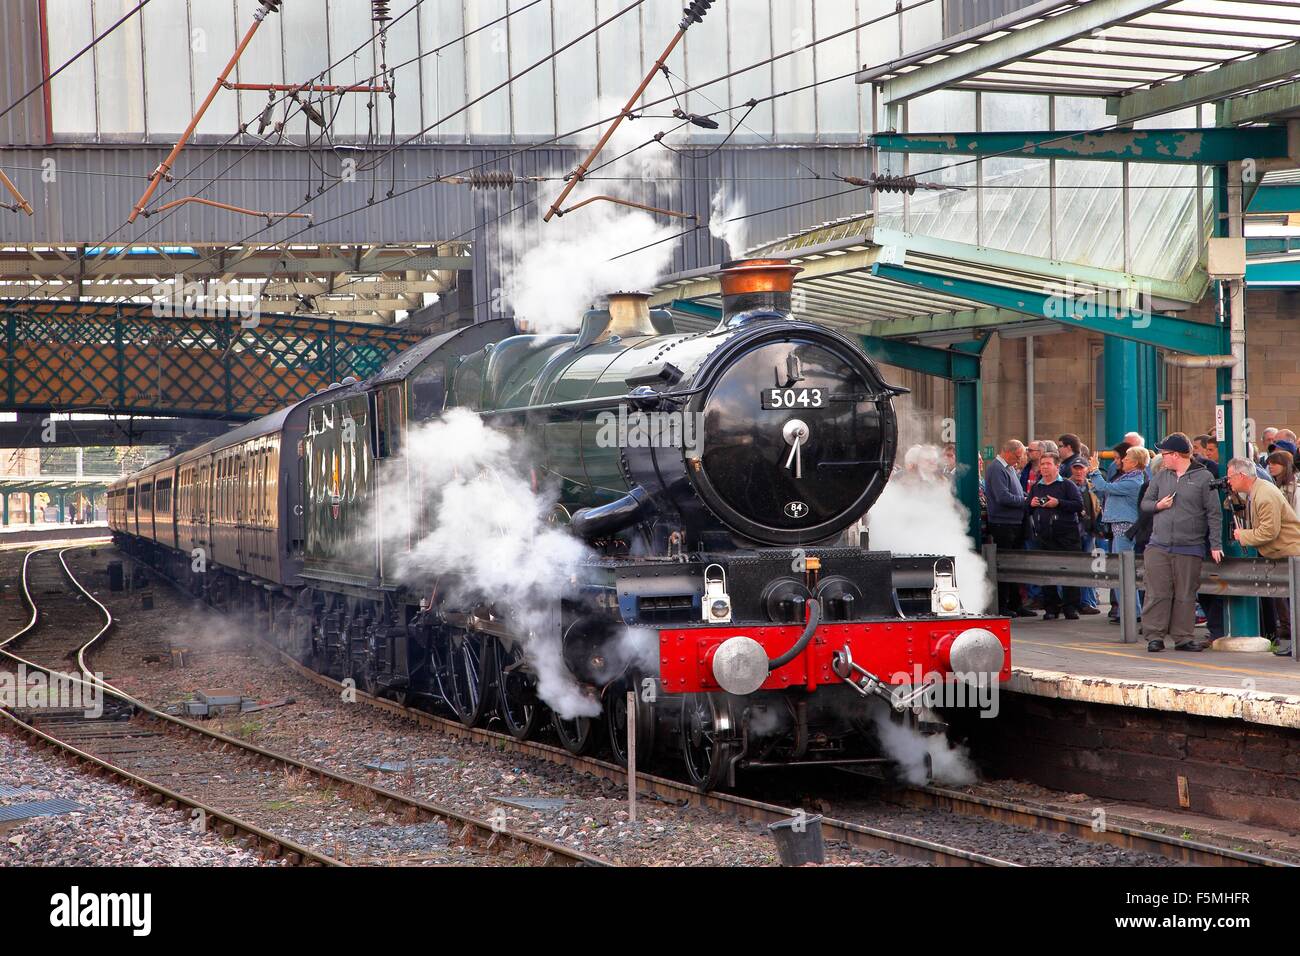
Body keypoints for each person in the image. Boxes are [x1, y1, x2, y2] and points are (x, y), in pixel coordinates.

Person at [1140, 433, 1223, 653]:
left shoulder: (1204, 478)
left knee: (1186, 594)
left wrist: (1215, 545)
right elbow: (1145, 504)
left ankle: (1183, 637)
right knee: (1157, 592)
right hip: (1158, 545)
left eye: (1164, 454)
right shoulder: (1160, 476)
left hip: (1190, 546)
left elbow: (1214, 513)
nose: (1162, 457)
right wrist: (1159, 505)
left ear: (1176, 455)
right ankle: (1154, 636)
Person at [1226, 458, 1300, 657]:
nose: (1228, 480)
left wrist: (1243, 536)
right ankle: (1295, 644)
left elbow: (1269, 531)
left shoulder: (1264, 495)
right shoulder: (1256, 491)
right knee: (1291, 602)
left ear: (1242, 476)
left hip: (1291, 553)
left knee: (1295, 602)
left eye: (1230, 476)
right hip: (1284, 554)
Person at [1090, 446, 1150, 624]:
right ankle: (1129, 611)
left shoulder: (1134, 481)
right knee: (1120, 572)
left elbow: (1106, 487)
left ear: (1136, 462)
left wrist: (1094, 470)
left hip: (1125, 529)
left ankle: (1131, 612)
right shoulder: (1127, 478)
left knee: (1124, 572)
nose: (1123, 460)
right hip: (1119, 529)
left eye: (1127, 458)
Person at [1027, 451, 1084, 620]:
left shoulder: (1066, 485)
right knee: (1047, 573)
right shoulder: (1037, 487)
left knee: (1070, 572)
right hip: (1044, 536)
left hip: (1067, 536)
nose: (1044, 467)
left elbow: (1078, 505)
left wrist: (1058, 503)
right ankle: (1051, 607)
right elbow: (1028, 509)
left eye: (1048, 464)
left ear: (1057, 466)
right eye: (1042, 464)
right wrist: (1031, 503)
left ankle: (1070, 607)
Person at [986, 440, 1032, 617]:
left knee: (1015, 566)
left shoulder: (1009, 468)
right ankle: (1003, 604)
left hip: (1014, 521)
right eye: (1017, 456)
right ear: (1008, 452)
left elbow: (1017, 493)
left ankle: (1016, 603)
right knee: (1005, 565)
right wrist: (1026, 501)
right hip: (1003, 523)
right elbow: (1002, 497)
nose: (1019, 460)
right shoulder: (997, 468)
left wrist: (1028, 496)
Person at [1069, 459, 1103, 614]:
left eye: (1081, 468)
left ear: (1087, 469)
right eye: (1075, 468)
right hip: (1071, 533)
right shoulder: (1066, 485)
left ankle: (1087, 602)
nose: (1078, 471)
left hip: (1089, 533)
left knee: (1089, 567)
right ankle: (1071, 602)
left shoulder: (1092, 486)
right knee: (1072, 567)